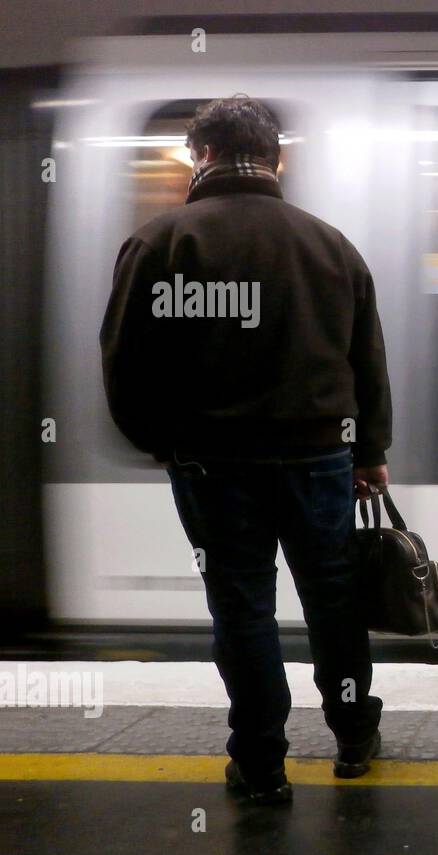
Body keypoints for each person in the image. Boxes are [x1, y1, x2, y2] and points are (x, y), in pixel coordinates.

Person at [100, 95, 392, 805]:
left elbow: (123, 361)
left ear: (199, 155)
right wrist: (370, 450)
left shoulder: (159, 243)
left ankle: (260, 765)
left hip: (212, 463)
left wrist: (160, 442)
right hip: (321, 456)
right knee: (332, 598)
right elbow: (365, 359)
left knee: (242, 609)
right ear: (277, 158)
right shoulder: (330, 244)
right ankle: (354, 735)